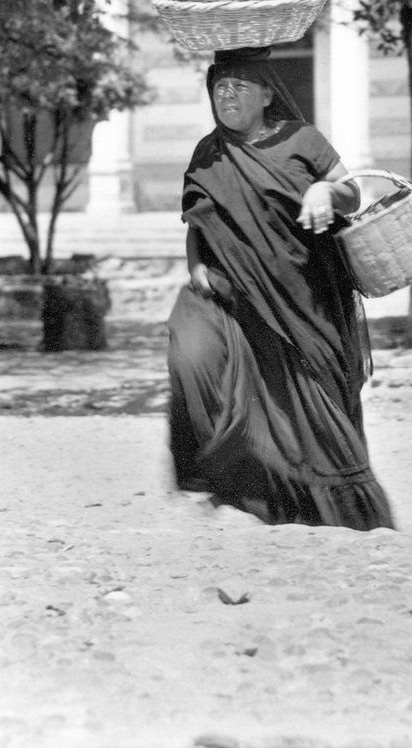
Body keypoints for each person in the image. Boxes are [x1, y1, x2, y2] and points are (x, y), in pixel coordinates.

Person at [166, 46, 394, 530]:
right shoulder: (208, 151)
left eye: (239, 86)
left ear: (267, 94)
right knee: (191, 351)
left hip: (305, 302)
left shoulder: (302, 140)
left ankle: (332, 513)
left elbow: (351, 191)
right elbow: (198, 218)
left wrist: (323, 190)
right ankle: (236, 486)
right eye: (218, 86)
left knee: (312, 410)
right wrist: (194, 266)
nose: (225, 94)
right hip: (234, 297)